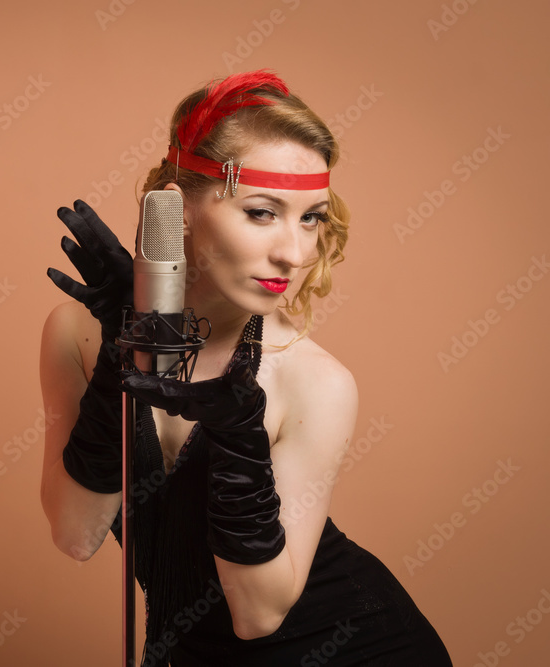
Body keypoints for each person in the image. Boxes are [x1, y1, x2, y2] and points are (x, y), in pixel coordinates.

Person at [39, 70, 453, 665]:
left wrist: (240, 441)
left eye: (311, 217)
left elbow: (259, 616)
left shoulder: (316, 381)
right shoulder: (74, 332)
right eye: (262, 212)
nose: (295, 251)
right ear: (176, 208)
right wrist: (120, 350)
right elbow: (75, 535)